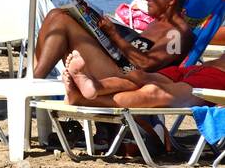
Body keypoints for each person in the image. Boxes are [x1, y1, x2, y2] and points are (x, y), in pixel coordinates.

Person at [32, 0, 195, 79]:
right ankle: (35, 76)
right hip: (116, 64)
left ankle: (35, 81)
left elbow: (147, 65)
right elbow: (136, 47)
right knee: (56, 14)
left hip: (127, 77)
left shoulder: (178, 33)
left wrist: (114, 35)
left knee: (62, 20)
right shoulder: (158, 24)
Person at [61, 48, 225, 110]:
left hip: (217, 78)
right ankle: (92, 86)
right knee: (135, 80)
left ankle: (81, 99)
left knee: (154, 91)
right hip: (193, 69)